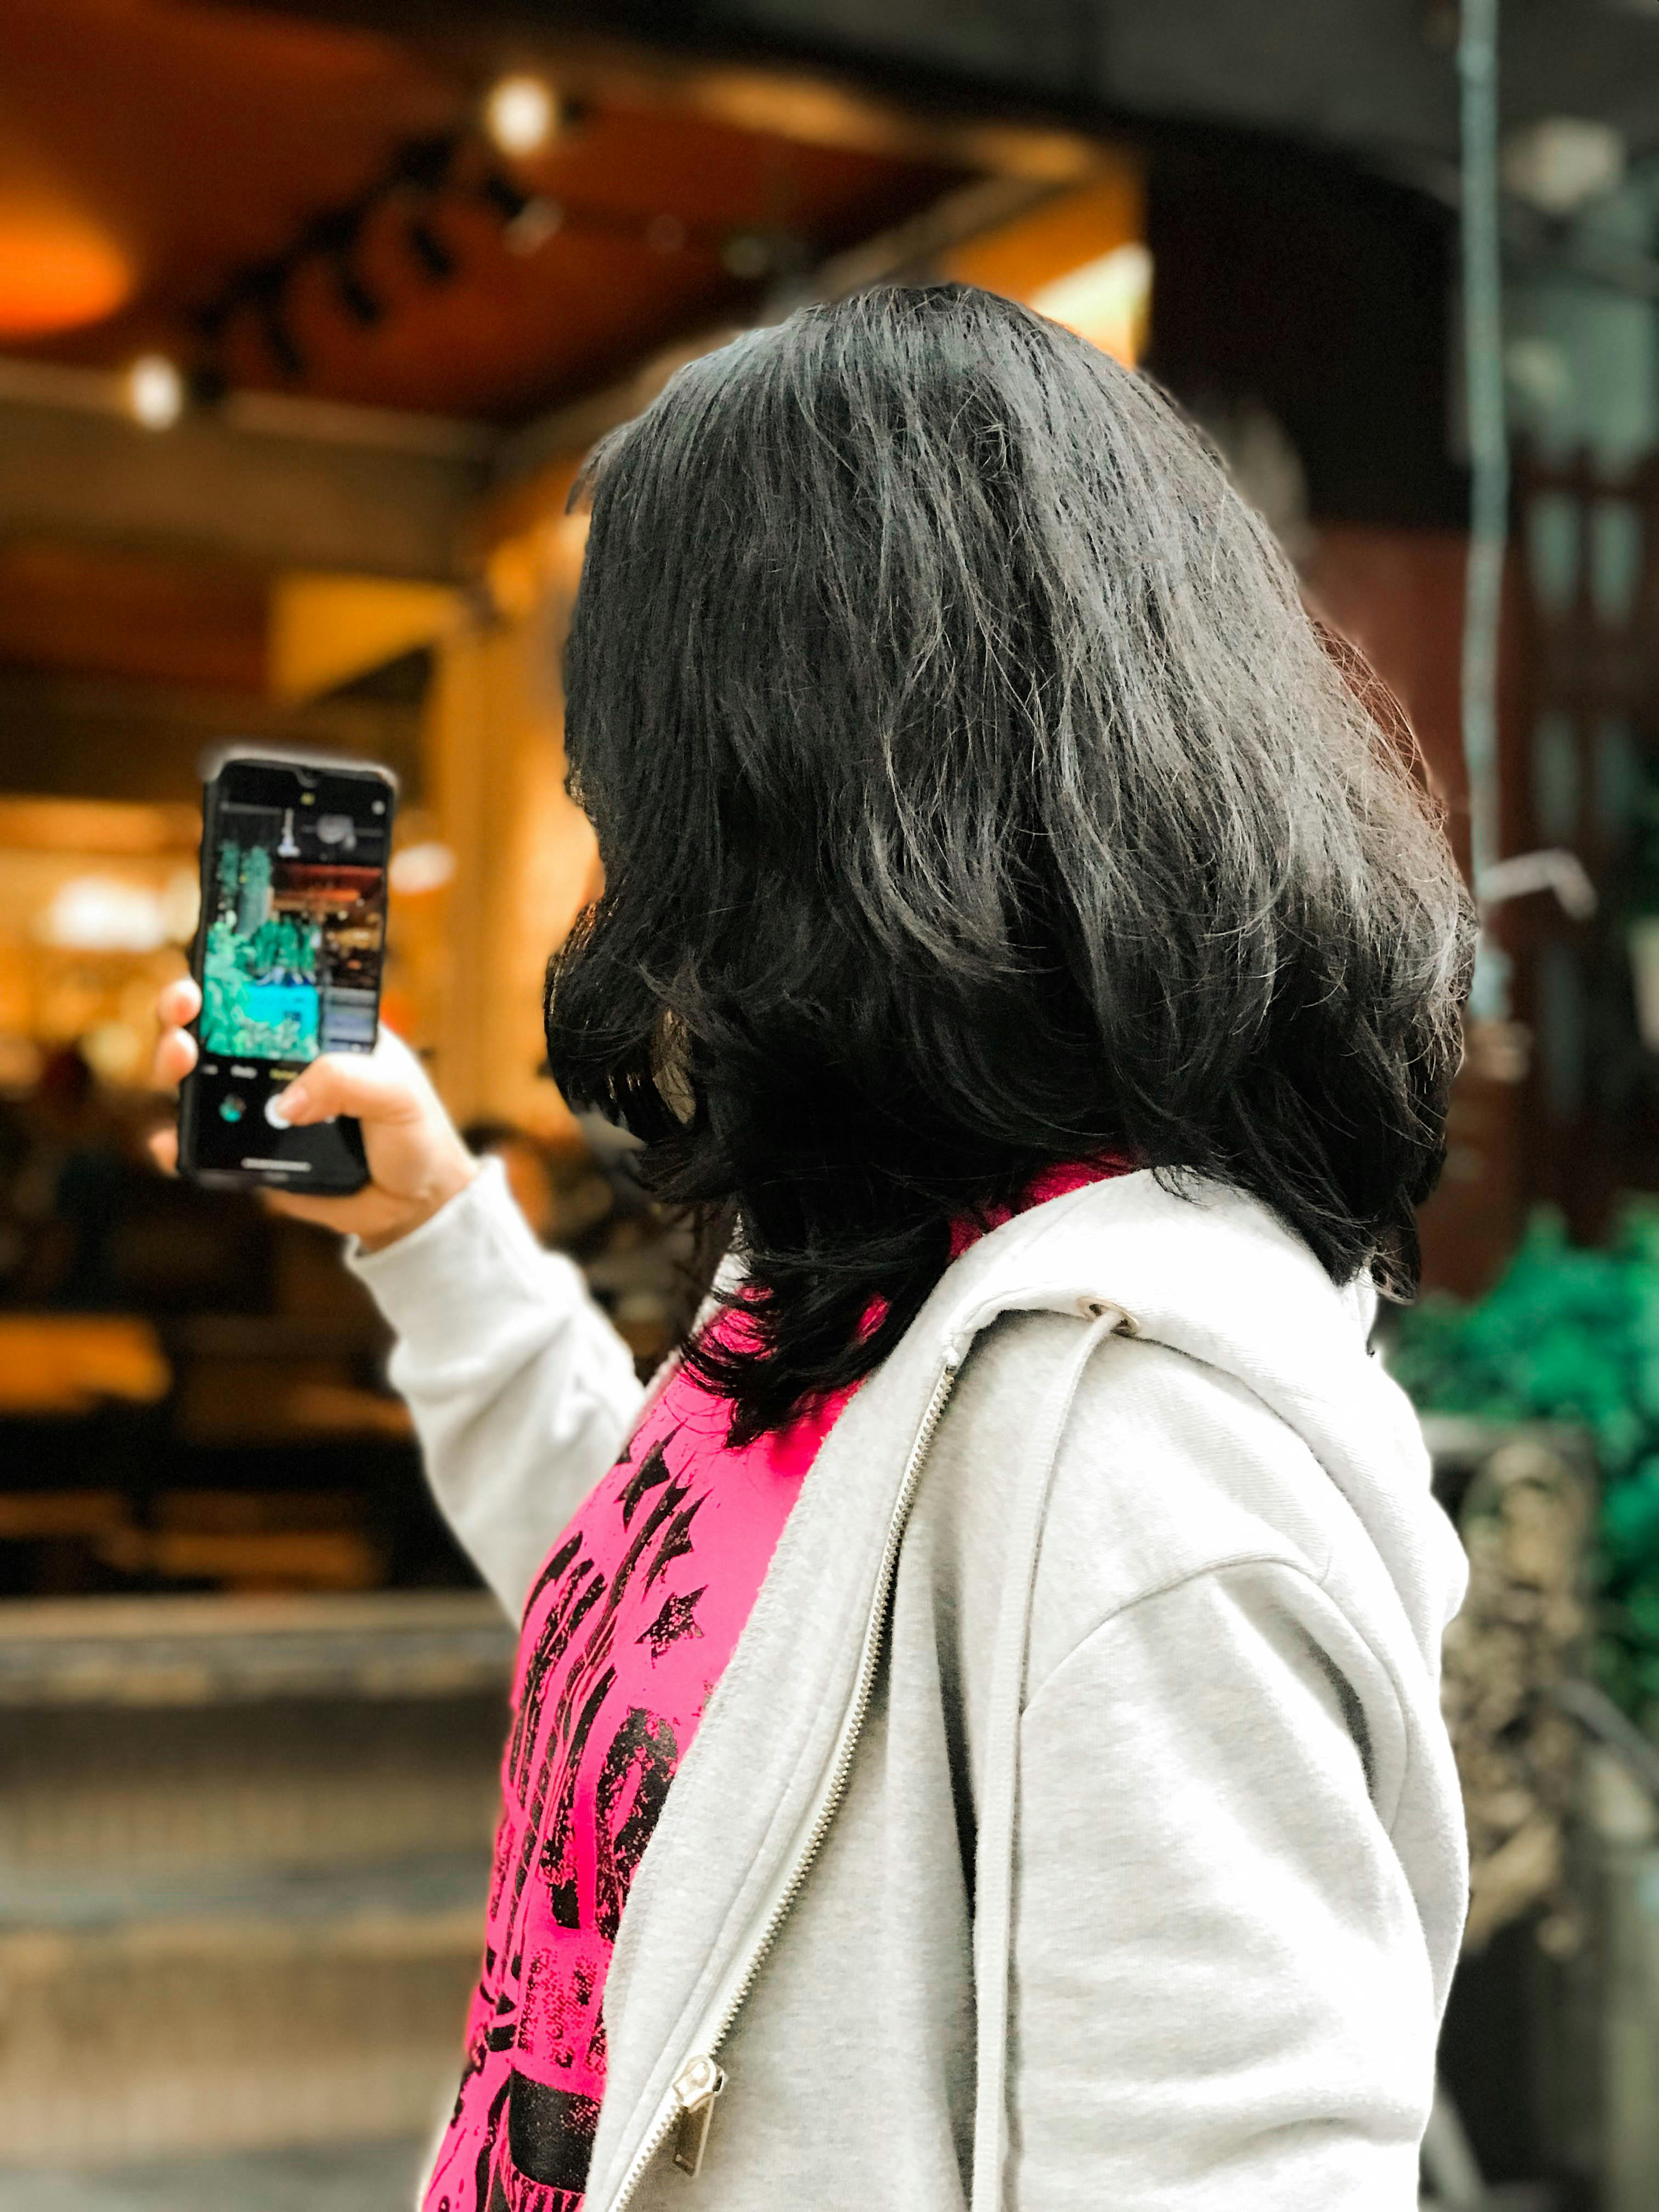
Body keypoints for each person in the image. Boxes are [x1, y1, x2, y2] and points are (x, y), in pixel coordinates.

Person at [155, 284, 1474, 2211]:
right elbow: (708, 1678)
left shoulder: (1147, 1458)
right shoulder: (883, 1263)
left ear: (797, 775)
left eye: (638, 747)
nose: (616, 821)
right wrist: (436, 1230)